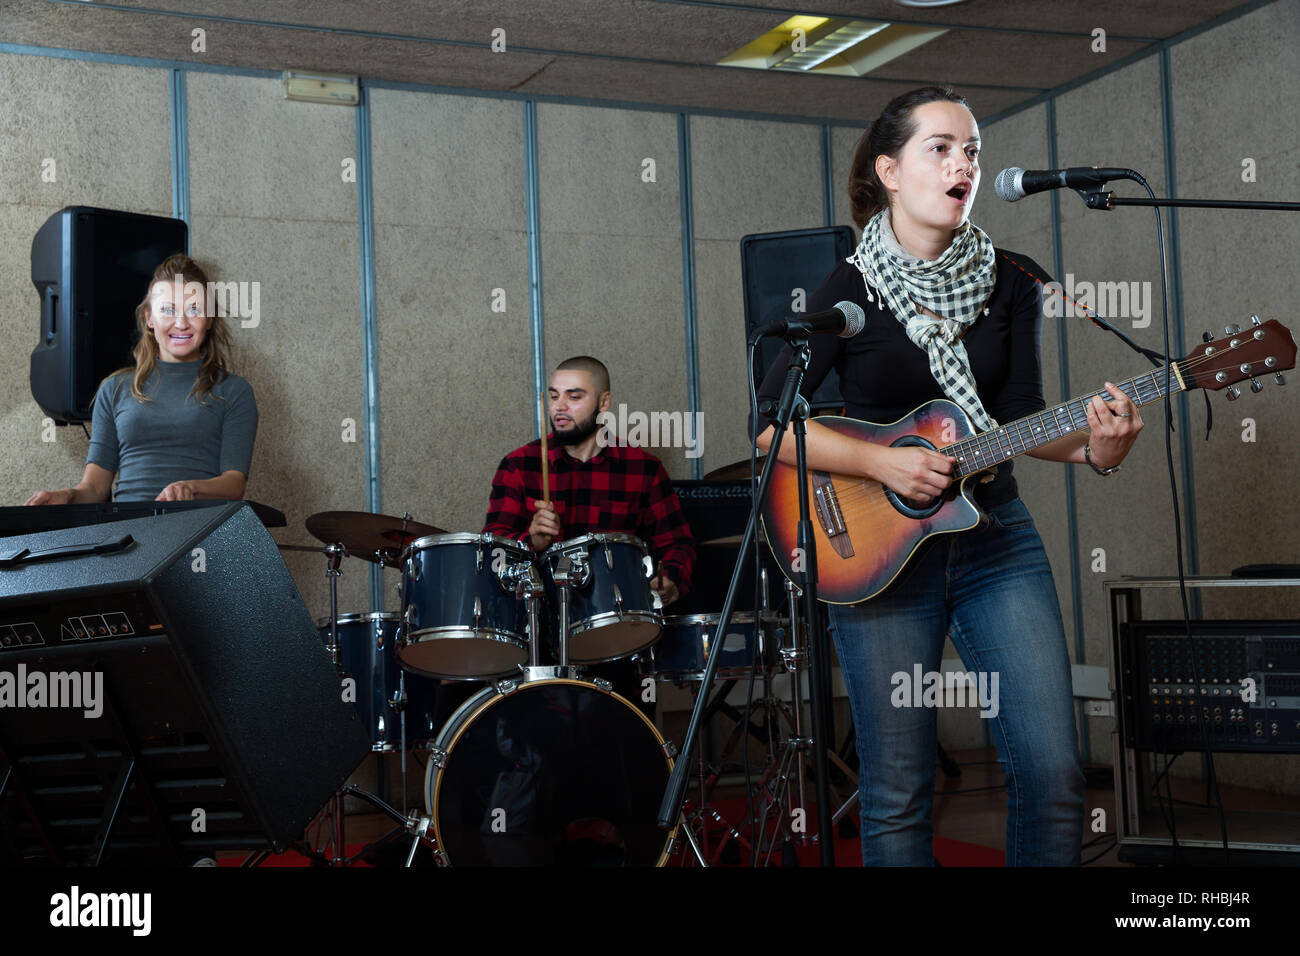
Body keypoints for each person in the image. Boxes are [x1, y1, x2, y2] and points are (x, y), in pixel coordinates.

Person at [754, 87, 1142, 866]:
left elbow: (1023, 422)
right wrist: (882, 461)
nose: (963, 163)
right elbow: (770, 429)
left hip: (996, 542)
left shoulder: (1011, 279)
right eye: (941, 148)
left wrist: (1102, 448)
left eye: (972, 149)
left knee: (1056, 772)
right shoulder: (847, 290)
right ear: (890, 170)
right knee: (897, 794)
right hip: (873, 554)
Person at [483, 356, 696, 710]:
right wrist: (530, 541)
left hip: (619, 638)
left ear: (604, 402)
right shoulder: (520, 466)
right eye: (553, 396)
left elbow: (678, 544)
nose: (560, 407)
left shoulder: (642, 468)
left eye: (574, 396)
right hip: (537, 639)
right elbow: (492, 554)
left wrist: (670, 578)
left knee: (621, 746)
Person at [26, 254, 258, 506]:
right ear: (149, 318)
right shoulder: (114, 389)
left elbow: (234, 484)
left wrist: (188, 489)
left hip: (201, 532)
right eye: (168, 310)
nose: (181, 323)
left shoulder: (234, 391)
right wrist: (67, 496)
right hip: (128, 535)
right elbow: (94, 488)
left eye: (194, 310)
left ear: (209, 319)